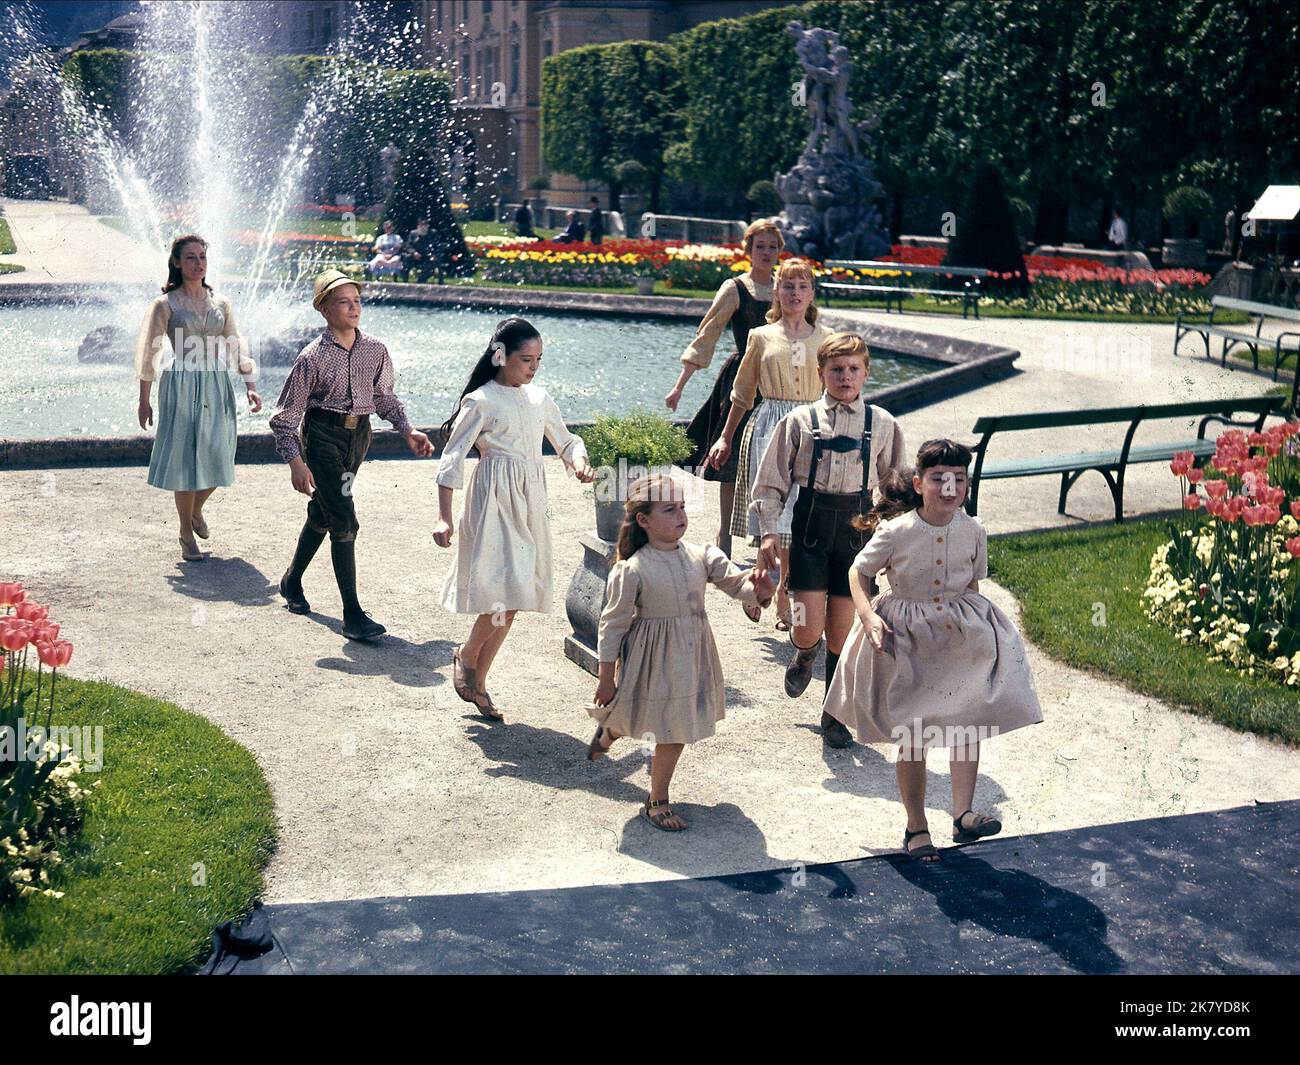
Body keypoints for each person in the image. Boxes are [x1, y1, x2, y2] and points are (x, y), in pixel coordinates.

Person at [824, 439, 1044, 862]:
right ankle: (916, 825)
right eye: (939, 479)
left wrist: (981, 637)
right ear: (918, 483)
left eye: (959, 480)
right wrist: (868, 616)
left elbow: (973, 586)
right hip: (907, 636)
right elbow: (859, 572)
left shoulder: (974, 530)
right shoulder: (896, 531)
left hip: (959, 633)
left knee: (969, 720)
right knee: (914, 732)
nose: (950, 488)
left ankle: (962, 814)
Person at [588, 474, 774, 831]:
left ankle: (619, 742)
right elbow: (611, 626)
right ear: (643, 520)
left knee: (673, 727)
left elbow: (737, 584)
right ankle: (654, 796)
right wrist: (606, 678)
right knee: (654, 719)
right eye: (669, 509)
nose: (680, 516)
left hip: (692, 656)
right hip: (650, 658)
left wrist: (760, 588)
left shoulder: (702, 555)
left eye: (682, 508)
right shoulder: (631, 569)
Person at [434, 317, 596, 721]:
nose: (533, 367)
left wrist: (578, 462)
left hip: (532, 499)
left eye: (539, 359)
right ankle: (467, 654)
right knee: (502, 589)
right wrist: (444, 518)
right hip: (493, 500)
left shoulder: (539, 398)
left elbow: (567, 439)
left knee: (519, 594)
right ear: (501, 356)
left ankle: (479, 679)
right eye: (526, 359)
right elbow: (452, 458)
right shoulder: (482, 400)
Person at [749, 332, 906, 748]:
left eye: (854, 369)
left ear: (867, 373)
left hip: (858, 534)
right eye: (836, 369)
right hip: (811, 530)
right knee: (806, 625)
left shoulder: (884, 425)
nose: (845, 377)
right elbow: (769, 484)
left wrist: (895, 537)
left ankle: (833, 713)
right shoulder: (799, 422)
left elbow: (896, 489)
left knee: (841, 633)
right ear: (820, 373)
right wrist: (767, 532)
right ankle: (803, 651)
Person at [270, 269, 434, 640]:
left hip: (358, 438)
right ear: (325, 309)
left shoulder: (375, 350)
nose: (353, 308)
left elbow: (383, 397)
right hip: (322, 438)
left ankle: (291, 581)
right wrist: (296, 463)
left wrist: (407, 430)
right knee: (344, 518)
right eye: (343, 302)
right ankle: (352, 614)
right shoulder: (312, 358)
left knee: (326, 509)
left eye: (357, 300)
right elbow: (285, 418)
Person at [707, 257, 831, 631]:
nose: (795, 293)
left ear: (812, 293)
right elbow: (742, 394)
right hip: (768, 428)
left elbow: (836, 391)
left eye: (802, 286)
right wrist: (725, 438)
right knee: (772, 510)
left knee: (799, 512)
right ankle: (765, 580)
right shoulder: (761, 336)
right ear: (776, 291)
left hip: (811, 429)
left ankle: (780, 591)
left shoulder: (825, 338)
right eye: (788, 286)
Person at [136, 233, 261, 562]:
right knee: (185, 459)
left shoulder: (220, 303)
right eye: (190, 257)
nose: (198, 263)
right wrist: (143, 399)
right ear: (177, 262)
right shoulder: (165, 304)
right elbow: (150, 352)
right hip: (182, 383)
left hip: (216, 382)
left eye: (202, 256)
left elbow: (235, 344)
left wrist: (250, 384)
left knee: (220, 453)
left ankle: (196, 510)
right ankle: (185, 533)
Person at [667, 219, 781, 564]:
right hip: (741, 380)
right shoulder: (735, 288)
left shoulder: (784, 288)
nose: (766, 252)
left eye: (772, 246)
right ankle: (725, 535)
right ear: (748, 250)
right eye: (760, 246)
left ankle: (765, 536)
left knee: (770, 461)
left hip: (776, 384)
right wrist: (679, 387)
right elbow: (707, 336)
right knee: (730, 461)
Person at [402, 218, 442, 284]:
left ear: (427, 225)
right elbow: (408, 246)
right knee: (407, 259)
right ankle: (405, 281)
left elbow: (437, 245)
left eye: (425, 224)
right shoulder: (413, 233)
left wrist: (434, 254)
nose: (423, 226)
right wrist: (414, 252)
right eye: (421, 224)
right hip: (416, 256)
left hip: (428, 255)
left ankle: (421, 280)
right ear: (418, 225)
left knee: (432, 263)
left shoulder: (432, 233)